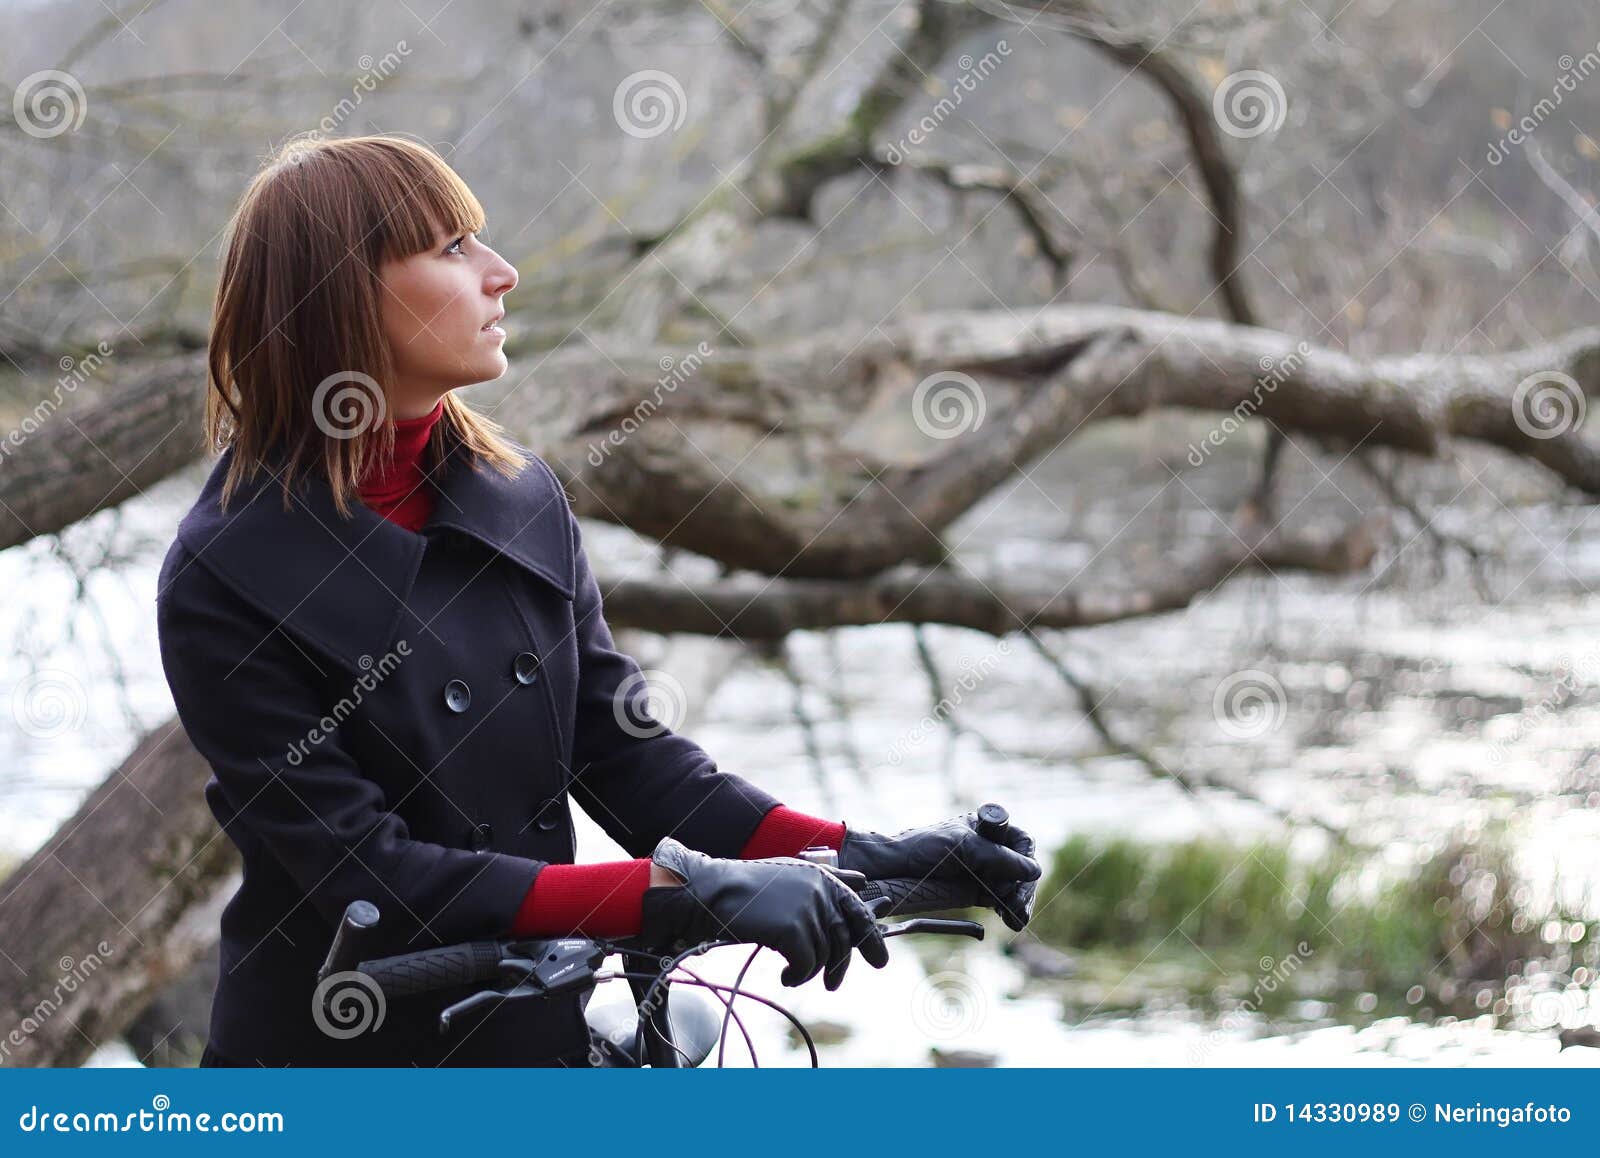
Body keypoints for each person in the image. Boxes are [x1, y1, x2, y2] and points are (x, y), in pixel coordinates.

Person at [156, 133, 1041, 1067]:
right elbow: (373, 875)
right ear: (341, 294)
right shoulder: (227, 574)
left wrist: (864, 854)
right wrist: (682, 895)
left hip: (533, 1037)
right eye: (451, 248)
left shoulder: (519, 498)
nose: (500, 273)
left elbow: (628, 761)